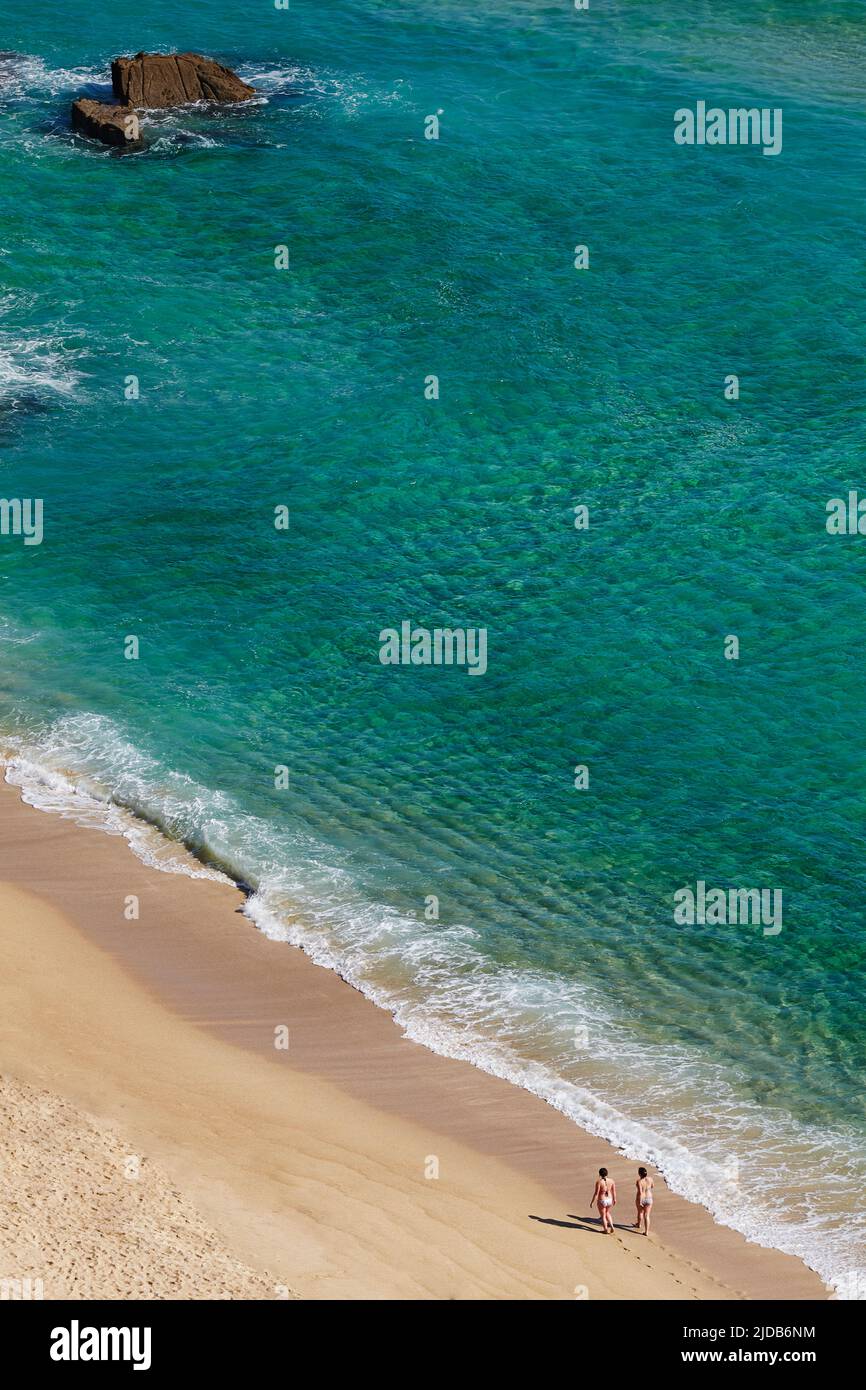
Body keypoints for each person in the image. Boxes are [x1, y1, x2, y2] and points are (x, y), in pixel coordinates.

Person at [590, 1166, 616, 1233]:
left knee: (603, 1216)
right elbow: (614, 1191)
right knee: (608, 1213)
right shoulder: (612, 1181)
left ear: (600, 1174)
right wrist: (614, 1199)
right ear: (607, 1173)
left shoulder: (599, 1182)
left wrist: (592, 1202)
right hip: (610, 1199)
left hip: (602, 1200)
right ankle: (612, 1227)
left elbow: (596, 1193)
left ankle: (605, 1229)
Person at [634, 1166, 654, 1235]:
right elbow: (652, 1186)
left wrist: (639, 1201)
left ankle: (638, 1224)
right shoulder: (650, 1179)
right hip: (649, 1198)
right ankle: (646, 1232)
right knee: (647, 1215)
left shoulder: (639, 1181)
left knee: (640, 1212)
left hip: (641, 1198)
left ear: (639, 1174)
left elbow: (640, 1192)